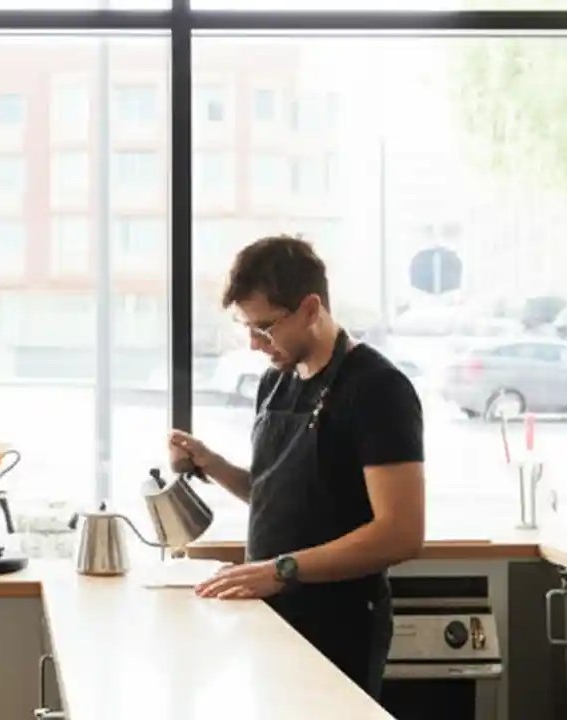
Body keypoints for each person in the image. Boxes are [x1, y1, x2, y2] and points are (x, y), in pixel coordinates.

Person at [169, 235, 425, 698]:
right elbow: (278, 492)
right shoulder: (276, 382)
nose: (254, 344)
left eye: (264, 328)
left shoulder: (378, 389)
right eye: (246, 328)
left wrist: (280, 569)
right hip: (271, 614)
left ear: (310, 308)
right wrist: (212, 464)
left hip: (340, 624)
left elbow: (401, 532)